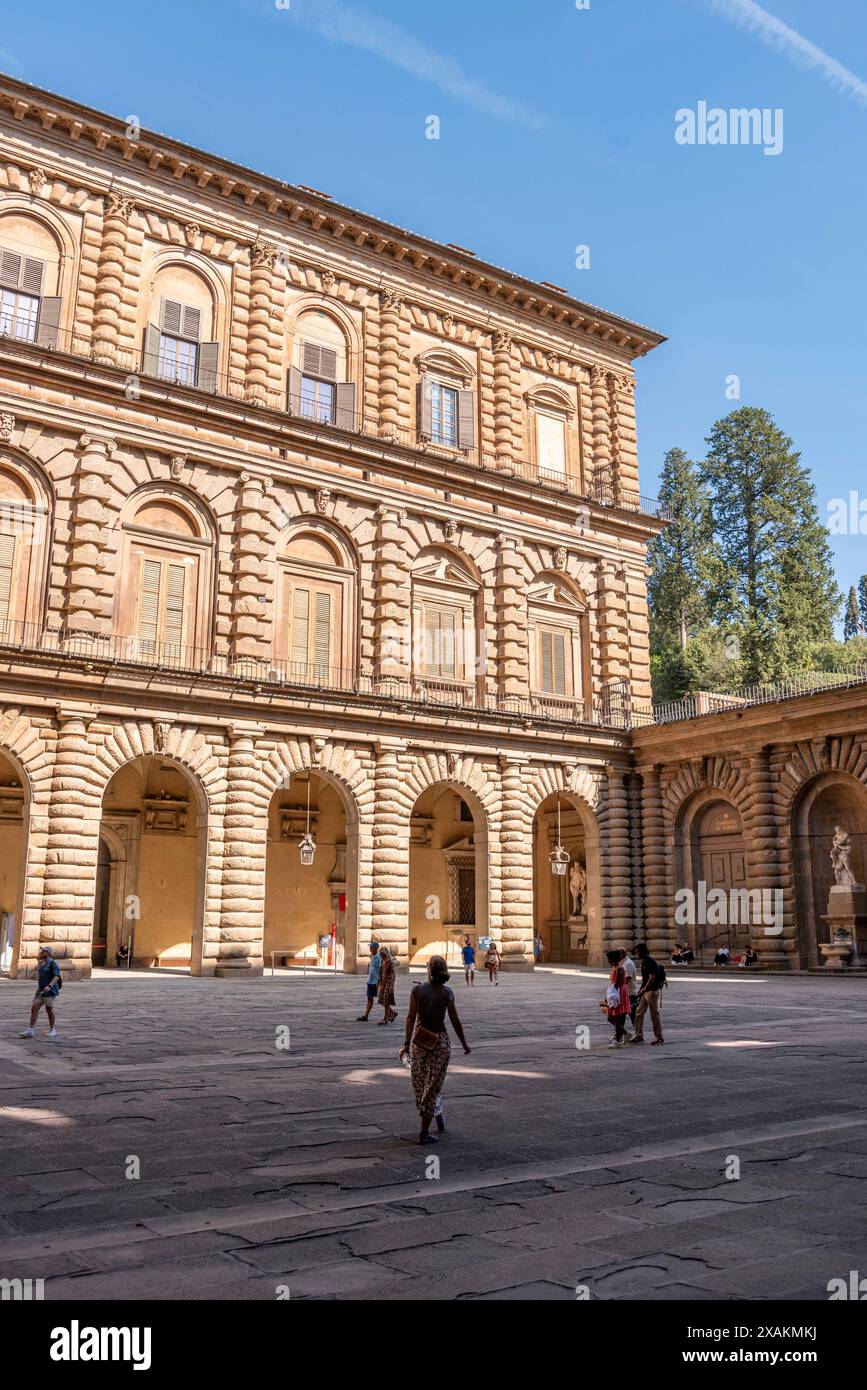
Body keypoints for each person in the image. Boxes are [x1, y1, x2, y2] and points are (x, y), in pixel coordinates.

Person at [400, 954, 470, 1144]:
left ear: (429, 969)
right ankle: (434, 1113)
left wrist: (406, 1044)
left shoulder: (417, 990)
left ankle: (425, 1130)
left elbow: (410, 1018)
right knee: (433, 1085)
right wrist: (464, 1044)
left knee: (421, 1083)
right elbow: (455, 1021)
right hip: (440, 1042)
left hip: (420, 1041)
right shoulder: (447, 992)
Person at [19, 945, 61, 1040]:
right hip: (40, 991)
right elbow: (38, 973)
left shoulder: (53, 963)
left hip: (50, 991)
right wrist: (38, 962)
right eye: (41, 951)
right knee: (34, 1008)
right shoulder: (41, 963)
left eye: (43, 951)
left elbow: (56, 976)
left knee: (49, 1010)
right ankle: (30, 1030)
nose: (41, 952)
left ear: (48, 953)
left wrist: (49, 986)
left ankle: (52, 1029)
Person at [629, 942, 665, 1046]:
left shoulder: (649, 961)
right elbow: (645, 979)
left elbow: (652, 976)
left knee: (654, 1015)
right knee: (639, 1013)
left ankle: (659, 1037)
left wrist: (644, 989)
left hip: (652, 991)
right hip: (646, 991)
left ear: (643, 951)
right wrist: (641, 990)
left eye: (638, 951)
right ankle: (638, 1035)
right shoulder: (644, 961)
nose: (637, 954)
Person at [604, 949, 631, 1048]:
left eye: (608, 958)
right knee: (612, 1017)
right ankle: (625, 1033)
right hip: (616, 992)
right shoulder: (615, 968)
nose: (607, 960)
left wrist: (610, 998)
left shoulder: (619, 969)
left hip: (618, 993)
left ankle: (618, 1041)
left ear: (612, 959)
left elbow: (617, 983)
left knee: (615, 1017)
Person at [357, 940, 382, 1020]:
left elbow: (380, 970)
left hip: (375, 982)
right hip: (370, 981)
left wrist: (378, 982)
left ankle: (391, 1012)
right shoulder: (372, 956)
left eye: (371, 947)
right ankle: (366, 1016)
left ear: (375, 948)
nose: (369, 948)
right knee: (370, 998)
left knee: (380, 1000)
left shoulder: (378, 958)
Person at [377, 945, 398, 1024]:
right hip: (383, 983)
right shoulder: (382, 961)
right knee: (382, 1001)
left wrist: (391, 985)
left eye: (381, 954)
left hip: (388, 983)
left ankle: (385, 1019)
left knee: (386, 1001)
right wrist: (379, 982)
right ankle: (392, 1013)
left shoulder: (389, 962)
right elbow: (381, 972)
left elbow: (393, 974)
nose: (380, 956)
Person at [620, 947, 639, 1027]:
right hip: (627, 992)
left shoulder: (628, 963)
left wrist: (618, 987)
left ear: (623, 954)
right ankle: (620, 1033)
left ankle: (638, 1033)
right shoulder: (624, 963)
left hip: (631, 993)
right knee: (622, 1014)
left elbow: (628, 978)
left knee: (632, 1014)